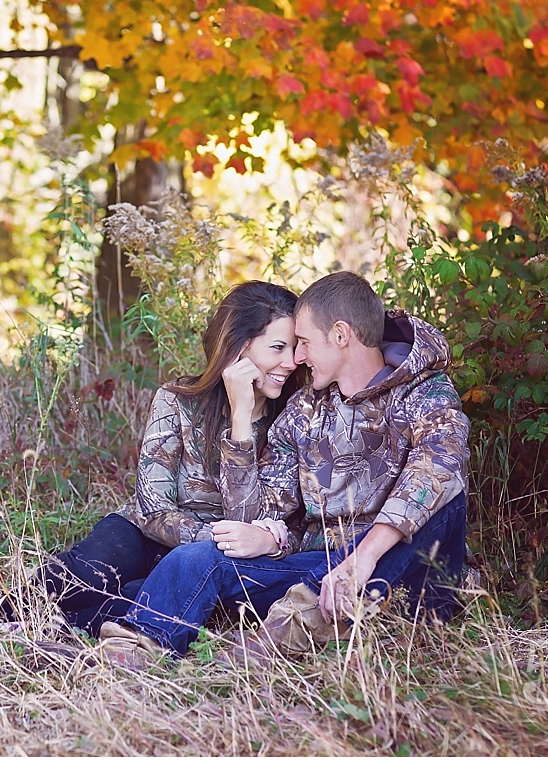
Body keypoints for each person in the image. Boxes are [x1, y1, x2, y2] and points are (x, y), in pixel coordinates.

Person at [97, 271, 471, 668]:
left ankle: (276, 639)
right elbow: (257, 516)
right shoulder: (304, 411)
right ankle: (135, 650)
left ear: (340, 335)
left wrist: (360, 559)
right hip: (315, 569)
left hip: (399, 571)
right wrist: (241, 425)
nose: (298, 359)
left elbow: (437, 466)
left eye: (304, 342)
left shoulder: (424, 392)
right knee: (194, 560)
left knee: (445, 497)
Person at [0, 281, 304, 638]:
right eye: (278, 347)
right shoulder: (177, 401)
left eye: (295, 348)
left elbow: (251, 520)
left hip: (204, 564)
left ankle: (40, 630)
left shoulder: (292, 421)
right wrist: (226, 540)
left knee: (139, 599)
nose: (290, 361)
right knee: (94, 570)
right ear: (239, 346)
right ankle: (6, 613)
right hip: (146, 534)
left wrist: (241, 421)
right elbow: (153, 510)